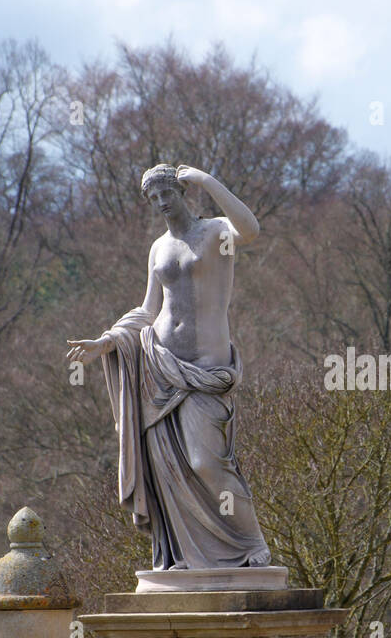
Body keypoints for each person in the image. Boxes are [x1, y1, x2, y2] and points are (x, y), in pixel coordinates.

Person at [67, 163, 271, 571]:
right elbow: (149, 309)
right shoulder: (158, 248)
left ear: (182, 192)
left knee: (205, 462)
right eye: (153, 197)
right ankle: (184, 554)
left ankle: (251, 544)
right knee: (169, 472)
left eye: (167, 193)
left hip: (205, 371)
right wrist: (106, 341)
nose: (161, 203)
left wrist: (208, 180)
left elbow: (250, 231)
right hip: (158, 366)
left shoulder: (215, 233)